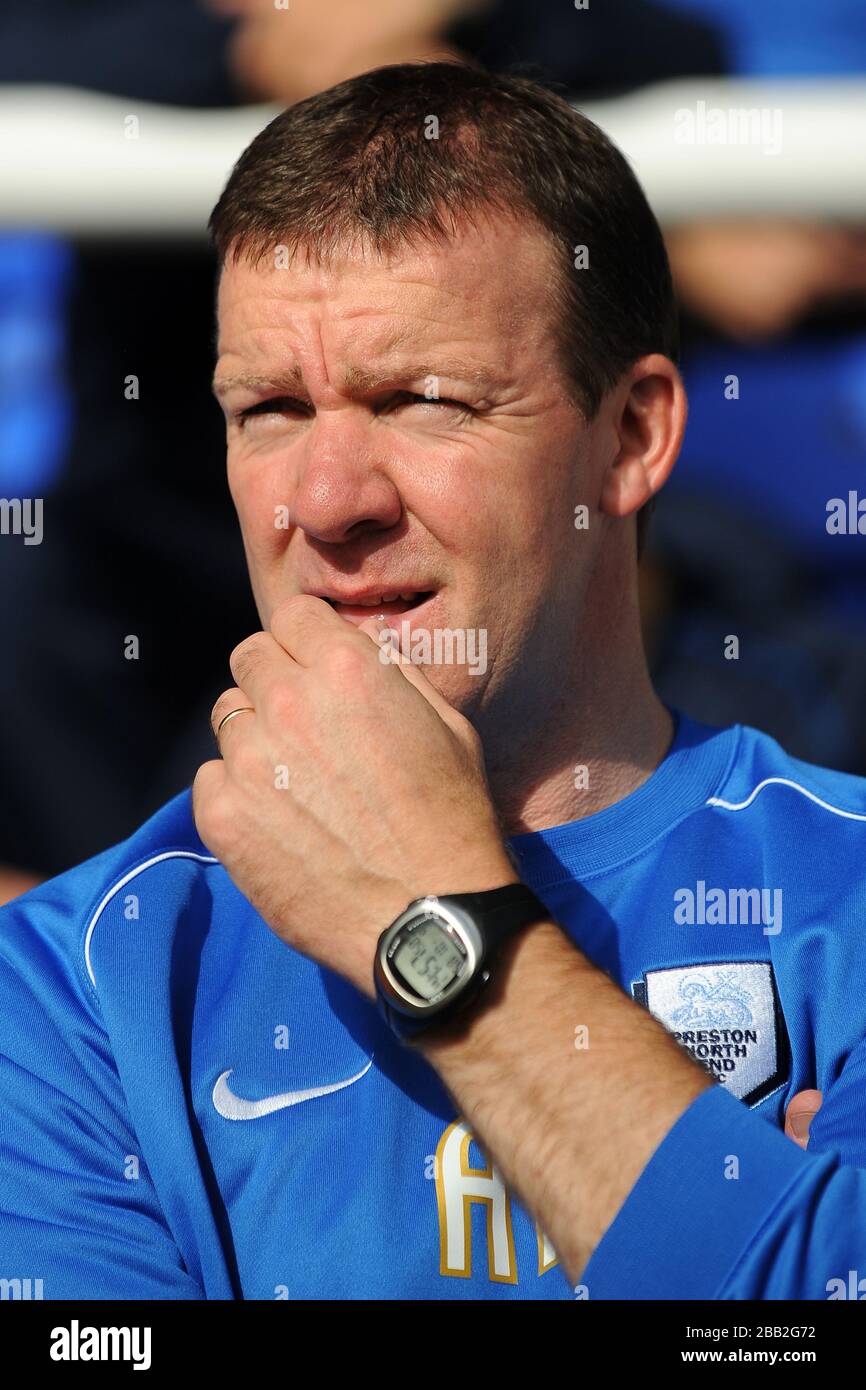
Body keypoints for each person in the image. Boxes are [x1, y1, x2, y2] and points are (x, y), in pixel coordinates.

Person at [0, 61, 862, 1301]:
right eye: (269, 409)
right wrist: (733, 1239)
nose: (327, 502)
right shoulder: (72, 987)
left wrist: (434, 916)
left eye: (423, 400)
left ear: (628, 437)